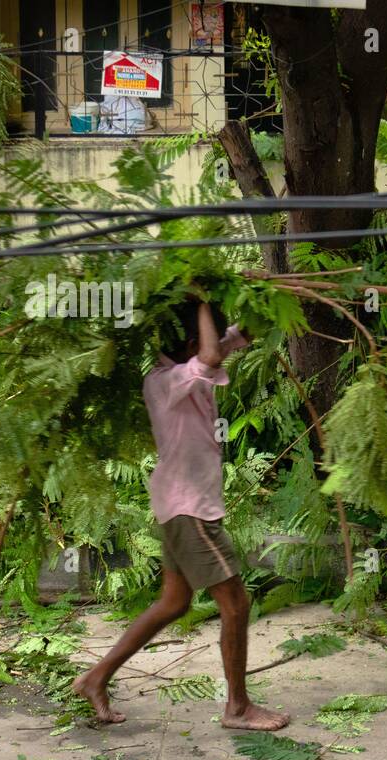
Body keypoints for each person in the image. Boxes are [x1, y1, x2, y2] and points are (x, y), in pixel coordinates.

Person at [74, 297, 289, 730]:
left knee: (173, 603)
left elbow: (242, 335)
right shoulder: (166, 380)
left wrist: (259, 290)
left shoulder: (183, 363)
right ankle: (238, 708)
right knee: (235, 604)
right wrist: (207, 300)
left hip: (180, 505)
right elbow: (211, 354)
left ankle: (95, 678)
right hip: (189, 510)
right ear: (192, 341)